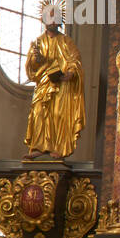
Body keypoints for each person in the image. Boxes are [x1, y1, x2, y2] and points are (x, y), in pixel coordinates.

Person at [24, 16, 85, 160]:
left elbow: (74, 59)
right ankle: (38, 147)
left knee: (58, 114)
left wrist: (71, 72)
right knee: (39, 111)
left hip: (61, 82)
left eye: (55, 18)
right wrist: (36, 58)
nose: (52, 21)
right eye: (49, 18)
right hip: (44, 81)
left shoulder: (66, 41)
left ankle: (58, 148)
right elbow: (31, 66)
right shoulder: (38, 41)